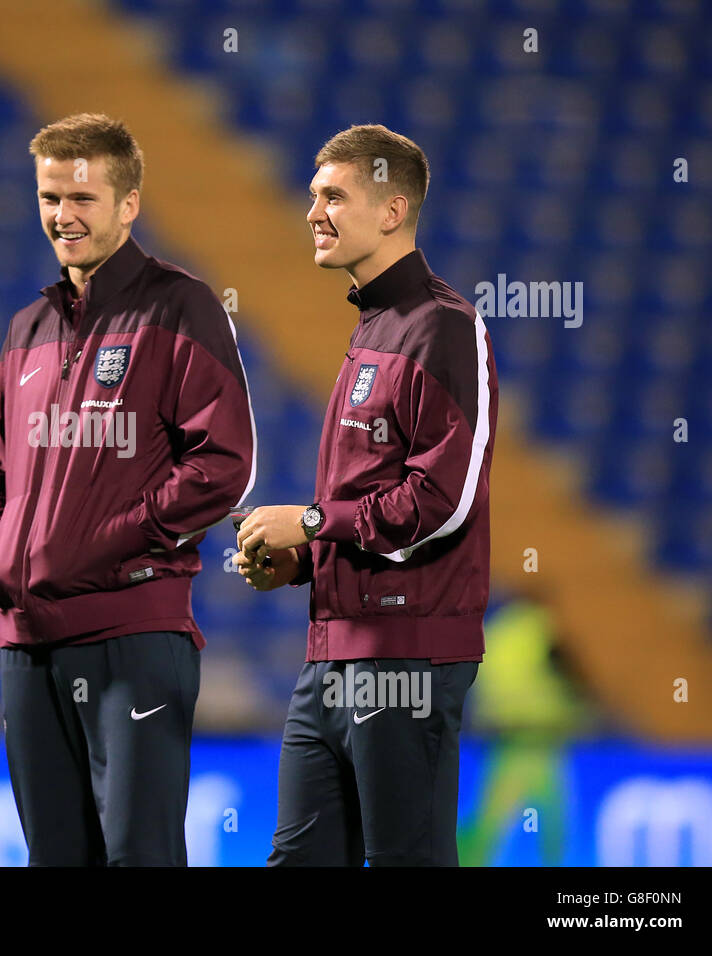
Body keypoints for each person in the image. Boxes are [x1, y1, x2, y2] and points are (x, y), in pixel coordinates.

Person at [0, 113, 256, 866]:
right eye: (49, 197)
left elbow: (225, 463)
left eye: (83, 198)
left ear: (130, 204)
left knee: (140, 853)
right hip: (27, 643)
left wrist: (115, 543)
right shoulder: (27, 325)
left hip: (133, 638)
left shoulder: (181, 307)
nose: (63, 216)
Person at [234, 124, 498, 866]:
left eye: (333, 195)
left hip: (406, 657)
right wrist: (307, 558)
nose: (313, 211)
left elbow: (442, 502)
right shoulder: (373, 325)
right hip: (330, 657)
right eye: (313, 194)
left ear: (392, 210)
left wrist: (314, 520)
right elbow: (376, 505)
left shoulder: (444, 327)